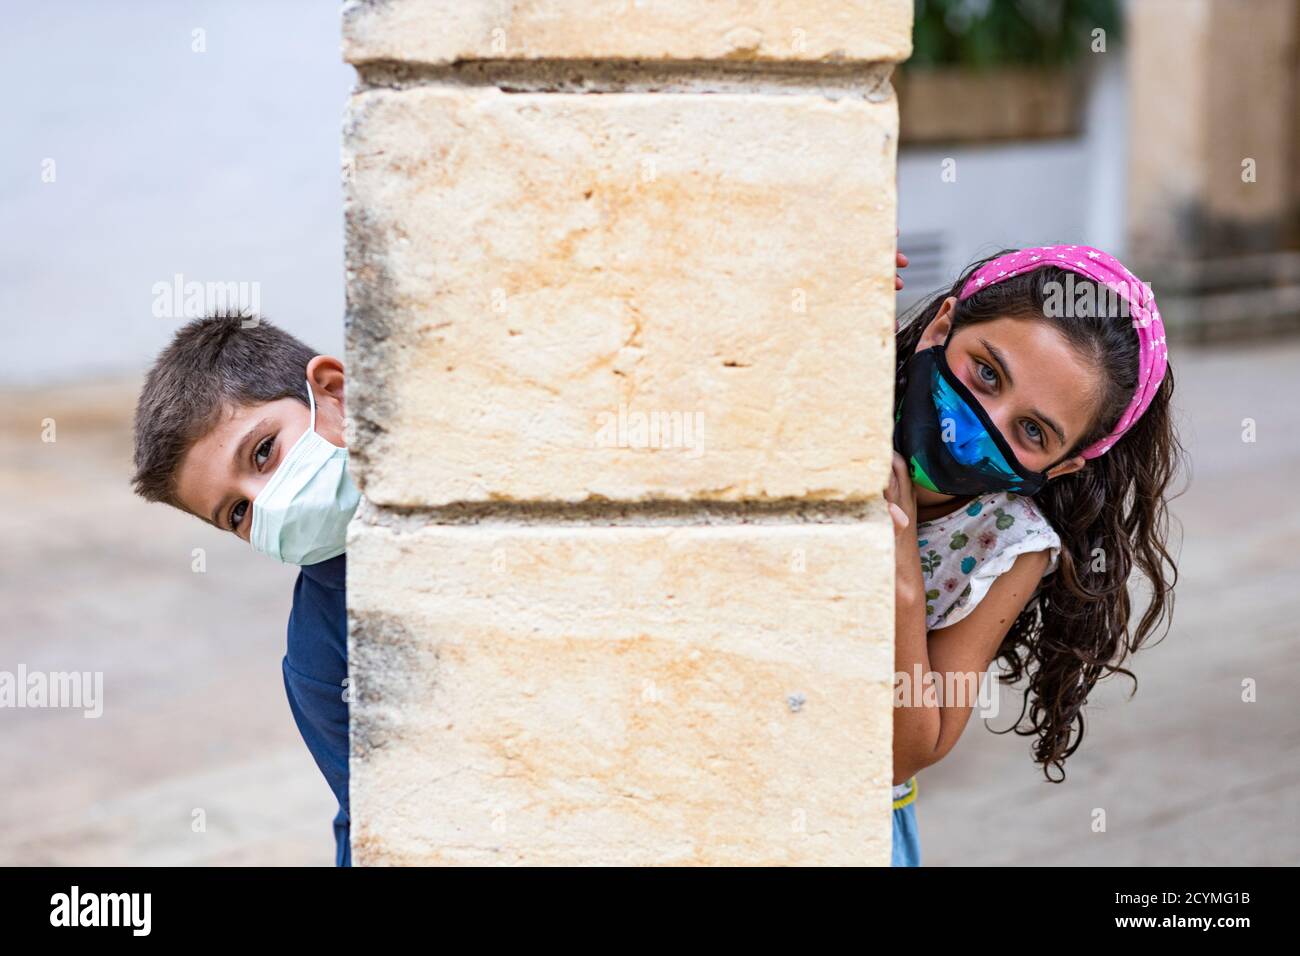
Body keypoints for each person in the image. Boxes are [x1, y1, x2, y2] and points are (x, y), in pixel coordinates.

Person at [884, 244, 1182, 866]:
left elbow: (905, 752)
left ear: (1063, 465)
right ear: (942, 326)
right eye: (987, 373)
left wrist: (901, 580)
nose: (980, 425)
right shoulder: (840, 395)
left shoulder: (1009, 543)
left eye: (1031, 431)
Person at [131, 315, 356, 865]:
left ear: (332, 391)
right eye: (237, 513)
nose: (268, 501)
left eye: (262, 453)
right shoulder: (319, 655)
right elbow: (381, 817)